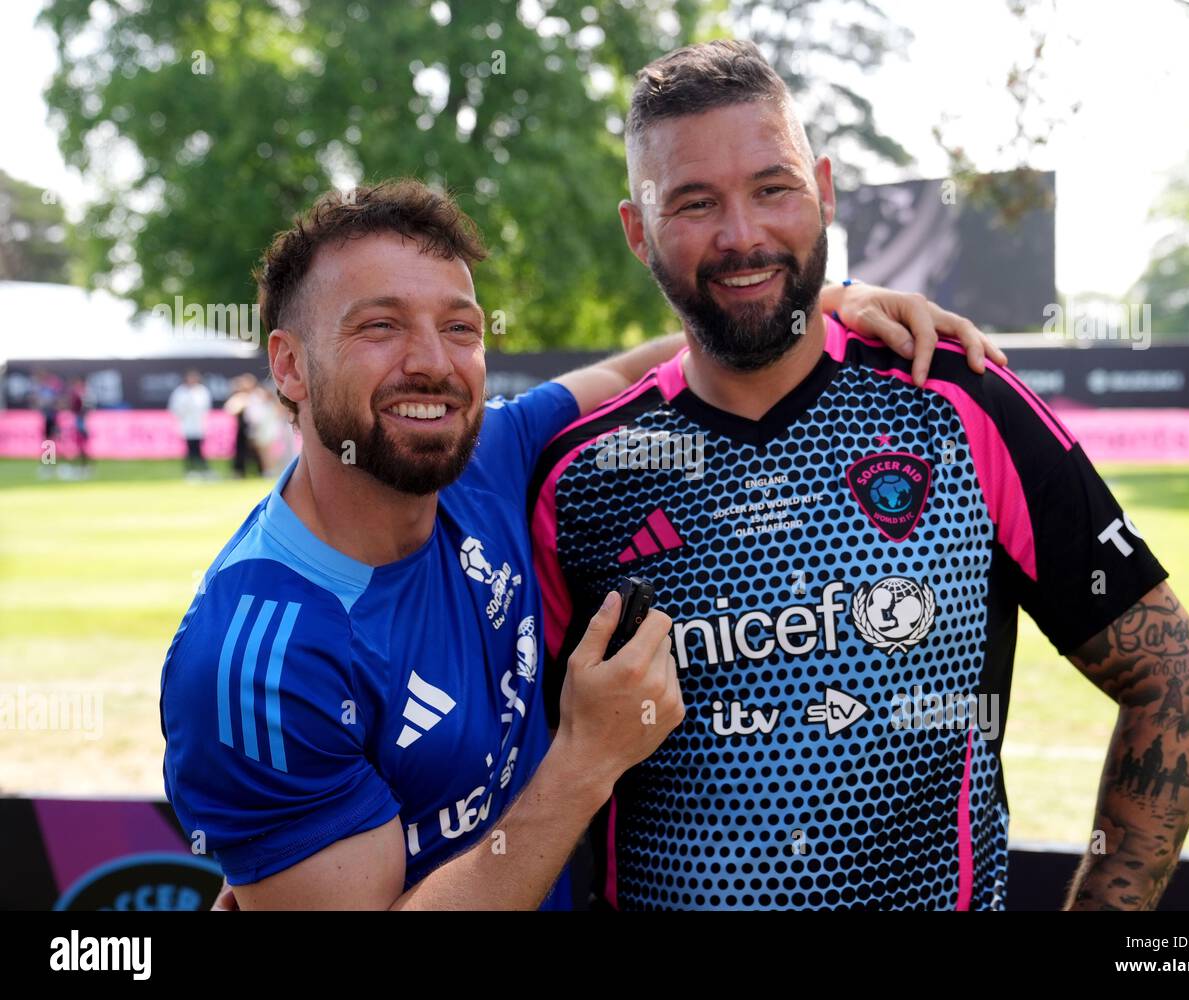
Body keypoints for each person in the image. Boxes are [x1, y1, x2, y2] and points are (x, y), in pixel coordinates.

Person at [530, 40, 1189, 911]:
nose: (742, 234)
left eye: (772, 188)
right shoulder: (582, 478)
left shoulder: (962, 408)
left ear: (823, 190)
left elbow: (1177, 684)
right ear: (638, 231)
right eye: (694, 203)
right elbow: (541, 788)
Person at [170, 180, 998, 912]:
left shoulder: (488, 455)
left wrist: (820, 302)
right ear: (289, 366)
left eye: (460, 327)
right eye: (379, 327)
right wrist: (584, 761)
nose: (432, 363)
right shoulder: (257, 660)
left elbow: (644, 367)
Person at [168, 369, 212, 478]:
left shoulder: (202, 391)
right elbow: (174, 408)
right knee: (189, 449)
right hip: (186, 424)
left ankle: (203, 470)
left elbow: (205, 407)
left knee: (199, 448)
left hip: (198, 424)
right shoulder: (180, 391)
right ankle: (190, 470)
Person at [224, 373, 263, 478]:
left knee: (256, 450)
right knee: (241, 450)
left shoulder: (257, 395)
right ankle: (240, 471)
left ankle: (261, 471)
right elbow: (230, 409)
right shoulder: (240, 397)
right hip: (243, 428)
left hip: (255, 427)